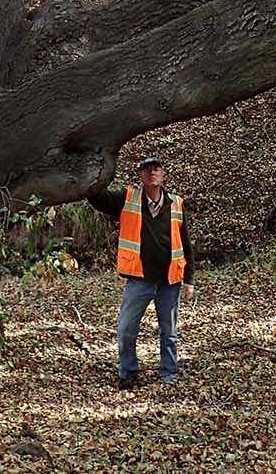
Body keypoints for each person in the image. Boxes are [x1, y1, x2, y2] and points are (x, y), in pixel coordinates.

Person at [87, 156, 196, 388]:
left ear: (163, 175)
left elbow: (186, 244)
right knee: (126, 329)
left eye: (156, 169)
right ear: (141, 176)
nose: (152, 173)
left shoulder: (176, 203)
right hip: (139, 281)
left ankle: (169, 374)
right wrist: (91, 178)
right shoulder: (127, 198)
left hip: (170, 281)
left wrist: (189, 280)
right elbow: (98, 199)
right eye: (147, 170)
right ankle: (128, 373)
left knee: (169, 332)